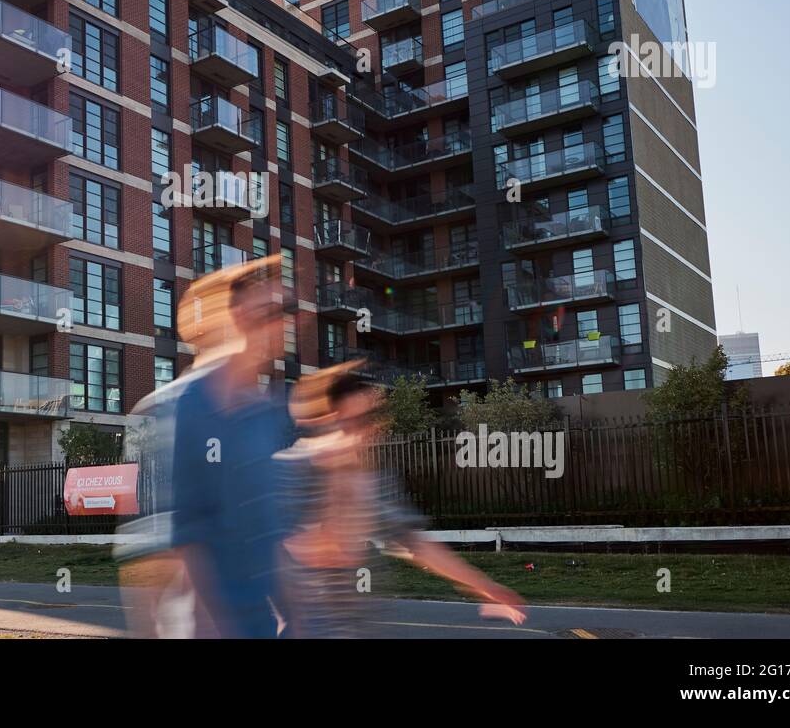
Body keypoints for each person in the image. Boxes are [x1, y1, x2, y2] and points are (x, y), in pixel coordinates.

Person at [275, 362, 527, 637]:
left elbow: (414, 543)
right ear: (328, 419)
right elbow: (306, 551)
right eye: (351, 420)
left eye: (368, 418)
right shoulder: (292, 470)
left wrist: (486, 587)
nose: (361, 431)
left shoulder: (368, 480)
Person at [117, 255, 295, 638]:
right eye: (268, 312)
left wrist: (300, 618)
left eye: (285, 312)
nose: (282, 323)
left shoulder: (266, 413)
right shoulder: (175, 408)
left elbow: (270, 535)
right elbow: (158, 556)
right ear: (233, 317)